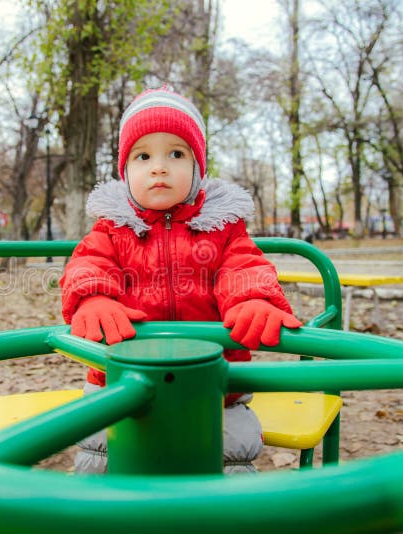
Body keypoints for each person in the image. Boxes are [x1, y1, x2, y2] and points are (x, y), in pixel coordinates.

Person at [60, 87, 301, 474]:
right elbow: (88, 264)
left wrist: (252, 299)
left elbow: (243, 266)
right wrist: (93, 299)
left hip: (213, 383)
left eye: (175, 153)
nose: (159, 167)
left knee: (230, 454)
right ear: (125, 171)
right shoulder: (112, 228)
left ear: (197, 167)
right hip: (119, 378)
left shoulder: (223, 228)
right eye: (143, 156)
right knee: (100, 450)